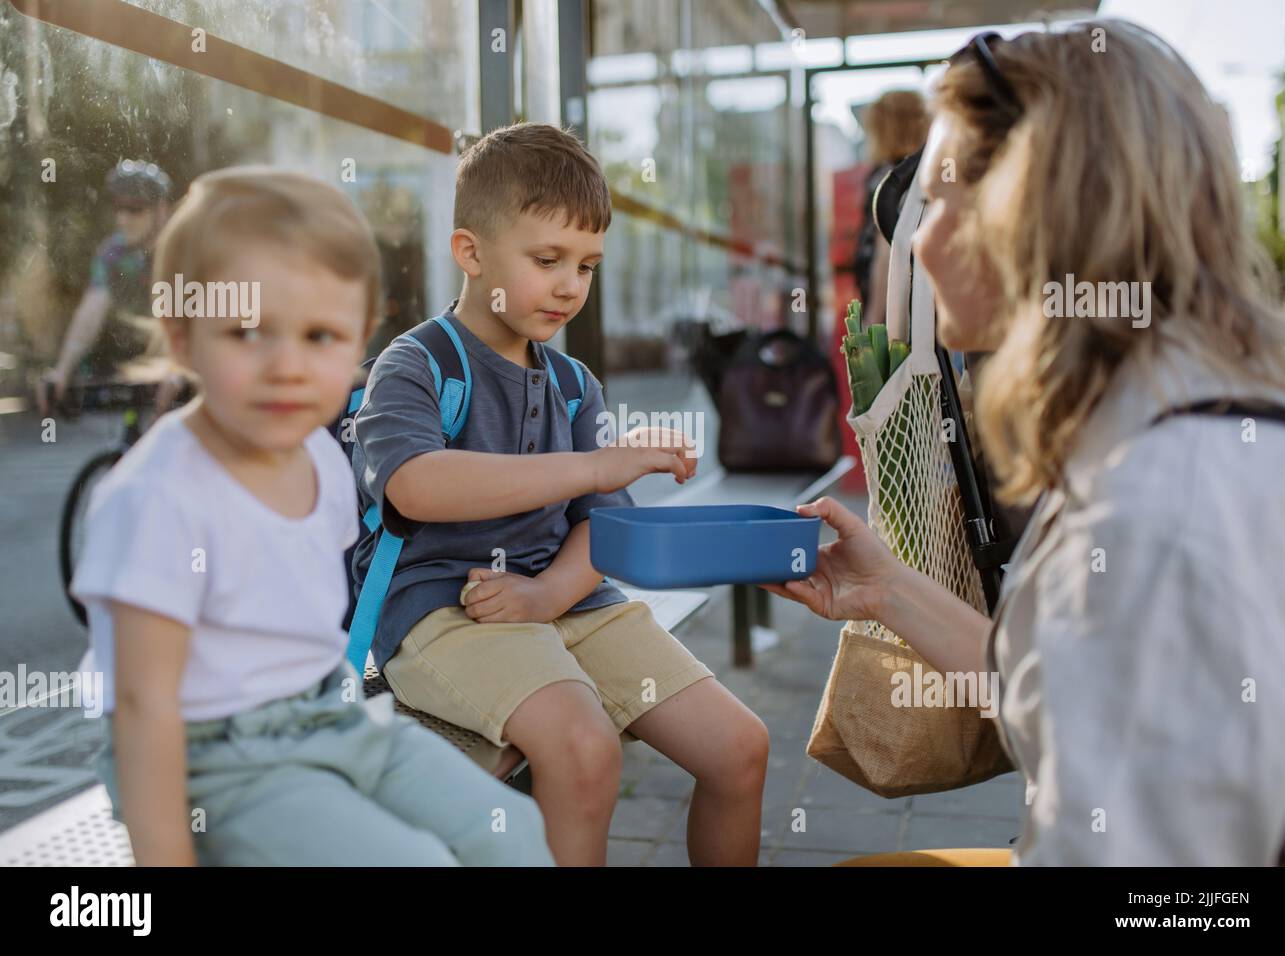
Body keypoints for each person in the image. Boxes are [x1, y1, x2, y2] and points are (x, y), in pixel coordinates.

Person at [767, 21, 1285, 865]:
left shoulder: (1153, 510)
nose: (918, 239)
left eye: (935, 202)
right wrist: (887, 593)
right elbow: (1068, 697)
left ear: (1031, 215)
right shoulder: (1173, 413)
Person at [71, 167, 555, 866]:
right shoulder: (159, 496)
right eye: (247, 332)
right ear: (181, 338)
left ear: (360, 341)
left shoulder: (323, 459)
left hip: (333, 714)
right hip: (219, 758)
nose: (287, 366)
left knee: (511, 832)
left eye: (321, 336)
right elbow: (144, 713)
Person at [352, 123, 770, 866]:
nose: (571, 285)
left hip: (566, 601)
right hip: (445, 608)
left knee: (739, 746)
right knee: (583, 747)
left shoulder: (575, 384)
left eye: (587, 265)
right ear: (471, 253)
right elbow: (416, 486)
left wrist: (546, 595)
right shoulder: (415, 363)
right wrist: (593, 467)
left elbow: (601, 530)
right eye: (547, 260)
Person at [38, 160, 177, 414]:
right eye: (119, 208)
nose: (123, 219)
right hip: (141, 361)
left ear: (161, 211)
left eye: (135, 209)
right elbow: (91, 310)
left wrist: (180, 370)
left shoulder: (182, 248)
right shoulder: (113, 253)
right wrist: (62, 370)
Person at [854, 91, 929, 330]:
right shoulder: (926, 171)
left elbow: (885, 251)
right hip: (917, 306)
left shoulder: (892, 179)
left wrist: (873, 321)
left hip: (895, 310)